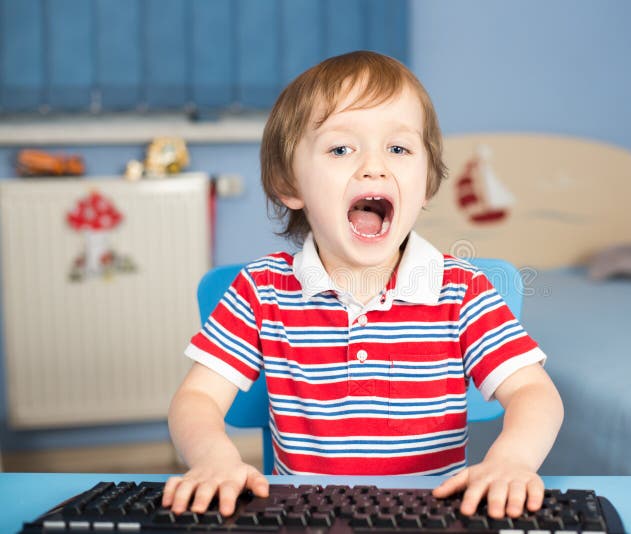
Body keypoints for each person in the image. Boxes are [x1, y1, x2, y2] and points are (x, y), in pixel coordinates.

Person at [162, 50, 563, 520]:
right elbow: (197, 399)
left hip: (431, 519)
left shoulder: (462, 291)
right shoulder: (260, 290)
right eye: (340, 149)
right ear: (289, 184)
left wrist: (510, 460)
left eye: (398, 149)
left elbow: (537, 395)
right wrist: (215, 459)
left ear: (428, 182)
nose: (374, 167)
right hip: (306, 520)